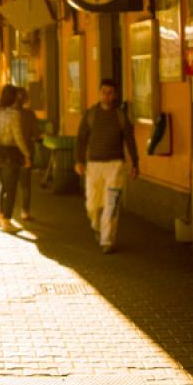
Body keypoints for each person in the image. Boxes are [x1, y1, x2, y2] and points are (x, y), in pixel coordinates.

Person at [73, 78, 138, 253]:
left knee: (111, 203)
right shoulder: (91, 114)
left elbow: (130, 140)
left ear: (114, 95)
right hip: (94, 165)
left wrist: (135, 163)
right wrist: (79, 161)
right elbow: (81, 139)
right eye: (104, 92)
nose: (107, 96)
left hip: (115, 165)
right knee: (92, 204)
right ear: (99, 93)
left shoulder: (121, 116)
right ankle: (97, 226)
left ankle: (107, 240)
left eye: (110, 93)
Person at [0, 84, 33, 233]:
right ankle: (7, 220)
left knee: (3, 186)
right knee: (11, 189)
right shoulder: (14, 114)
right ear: (13, 97)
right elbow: (18, 137)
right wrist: (27, 154)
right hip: (8, 154)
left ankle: (1, 216)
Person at [14, 87, 40, 220]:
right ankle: (25, 212)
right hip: (26, 153)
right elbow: (36, 135)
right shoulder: (30, 115)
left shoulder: (7, 113)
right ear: (25, 99)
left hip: (10, 152)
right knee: (25, 185)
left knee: (10, 184)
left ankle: (6, 213)